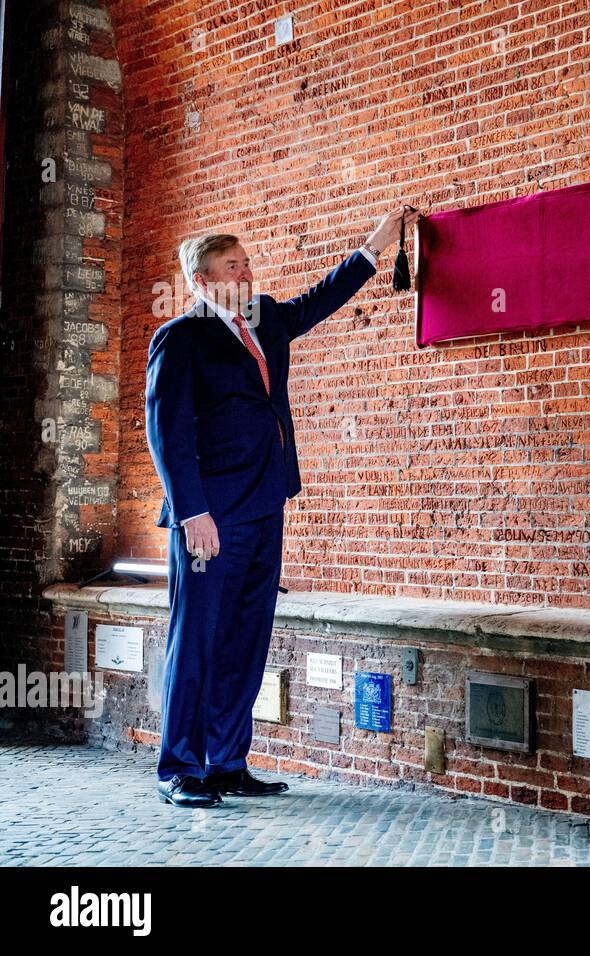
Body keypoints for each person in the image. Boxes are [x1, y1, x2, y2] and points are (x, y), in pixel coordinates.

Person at [146, 207, 418, 808]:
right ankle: (180, 767)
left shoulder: (264, 320)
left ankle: (227, 762)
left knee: (247, 637)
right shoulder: (182, 337)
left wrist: (375, 247)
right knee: (197, 640)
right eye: (231, 265)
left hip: (266, 507)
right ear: (202, 279)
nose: (246, 271)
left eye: (246, 261)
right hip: (209, 521)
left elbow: (322, 298)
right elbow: (169, 435)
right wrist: (193, 514)